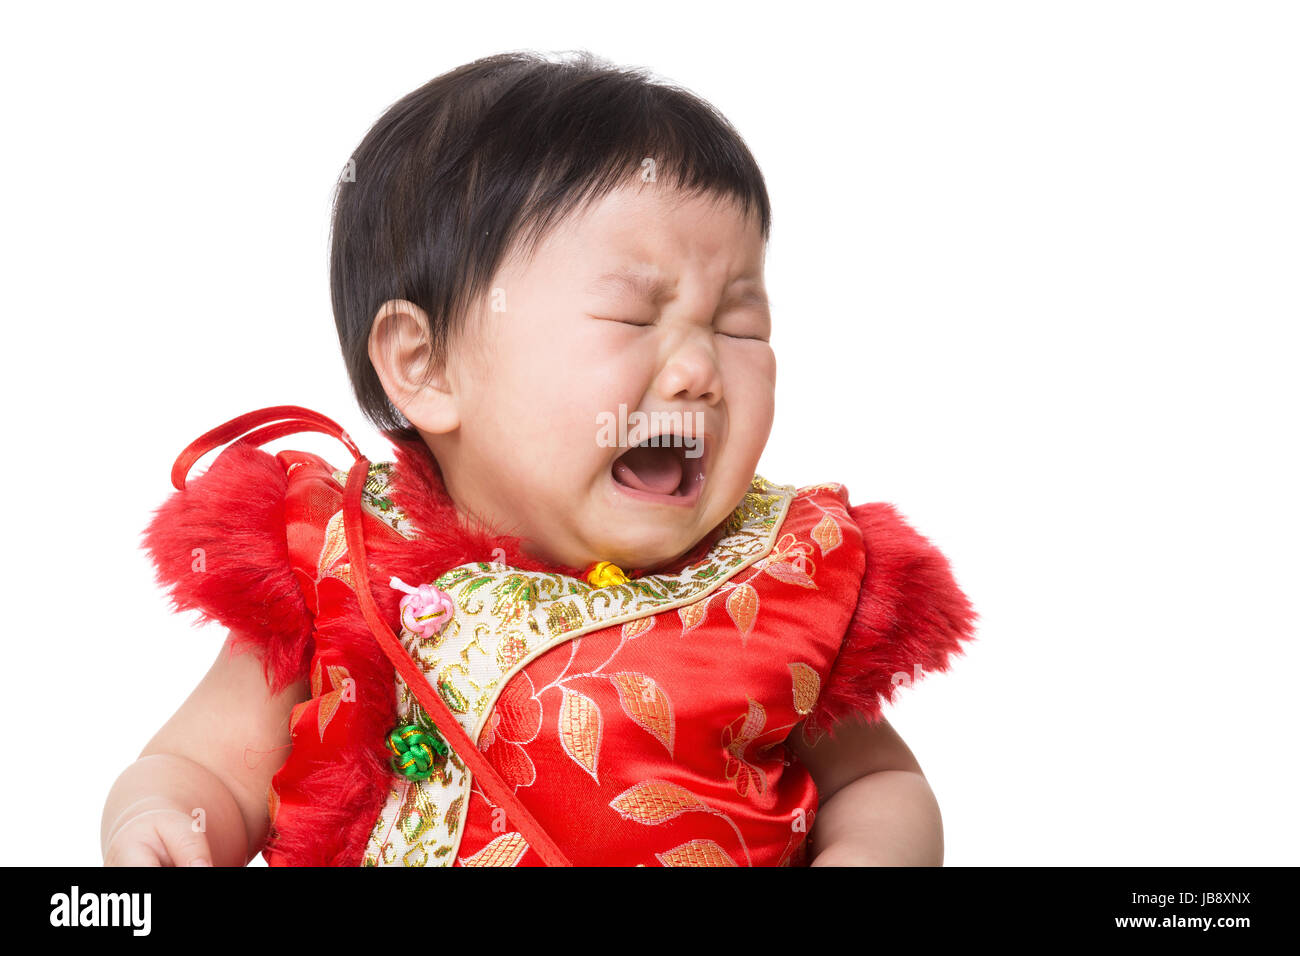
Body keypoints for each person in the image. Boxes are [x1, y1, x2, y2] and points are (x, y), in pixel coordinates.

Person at [101, 50, 978, 867]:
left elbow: (876, 782)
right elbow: (201, 768)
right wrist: (165, 825)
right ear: (425, 365)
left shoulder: (780, 583)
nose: (699, 370)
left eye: (737, 322)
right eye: (635, 318)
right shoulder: (343, 565)